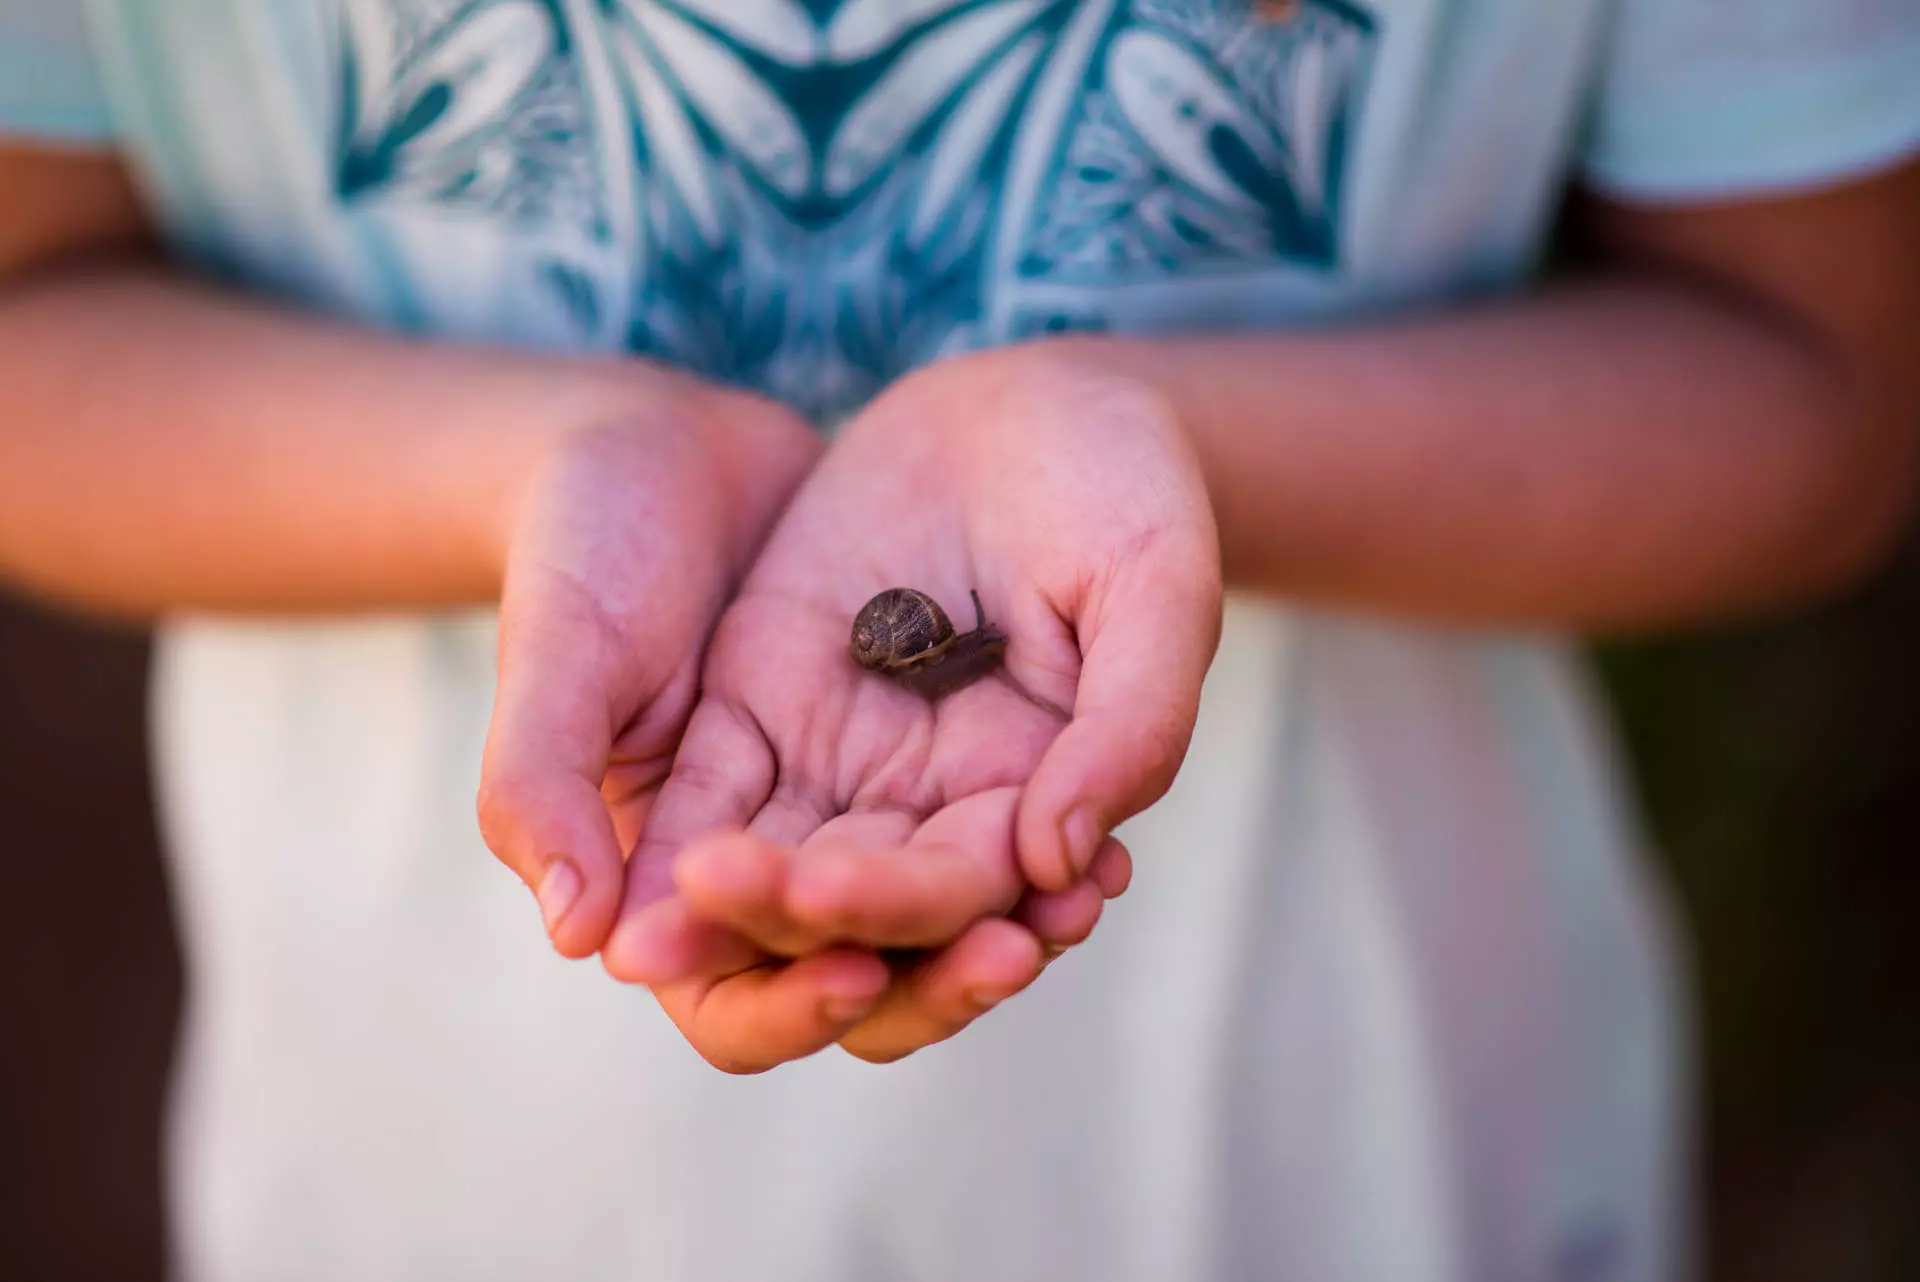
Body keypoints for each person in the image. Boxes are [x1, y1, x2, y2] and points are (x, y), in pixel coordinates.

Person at [3, 2, 1917, 1279]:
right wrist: (549, 467)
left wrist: (1178, 443)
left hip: (1366, 1158)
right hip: (444, 1175)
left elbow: (1827, 384)